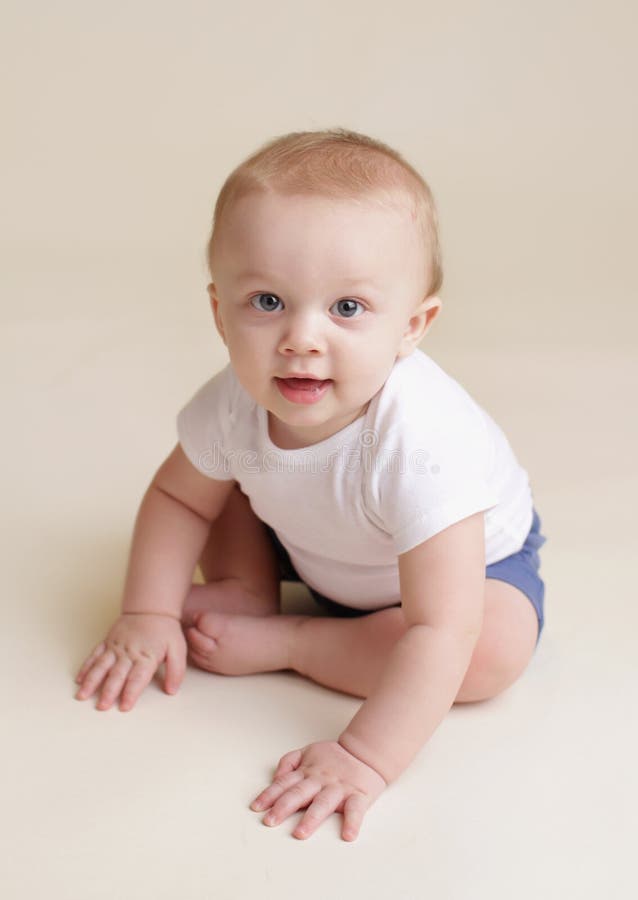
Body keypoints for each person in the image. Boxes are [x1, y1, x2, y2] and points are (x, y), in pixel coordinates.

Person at [75, 128, 547, 842]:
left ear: (413, 326)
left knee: (490, 651)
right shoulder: (234, 403)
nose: (301, 338)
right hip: (314, 534)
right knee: (217, 479)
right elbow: (177, 499)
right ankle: (245, 589)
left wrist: (365, 757)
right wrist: (148, 611)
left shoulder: (423, 442)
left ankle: (296, 640)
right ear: (219, 313)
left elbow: (441, 626)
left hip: (453, 576)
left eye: (347, 308)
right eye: (267, 301)